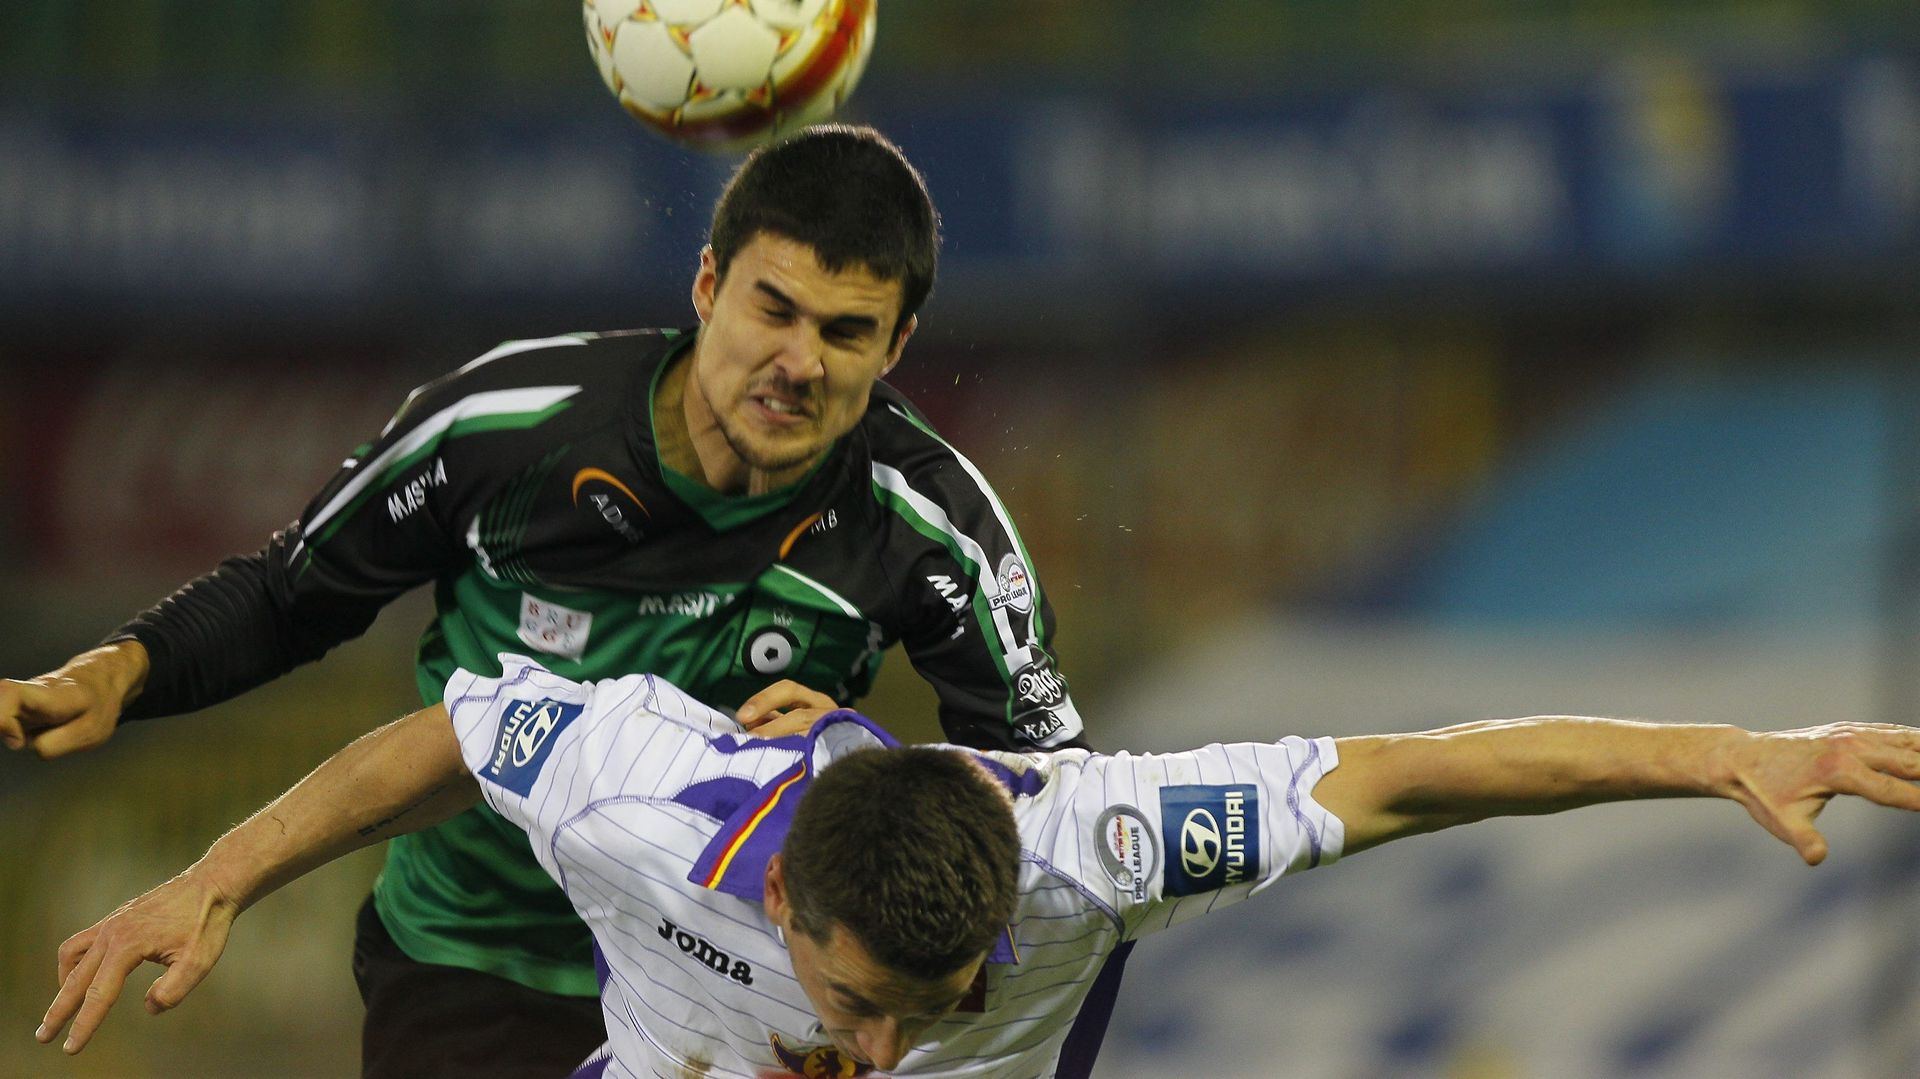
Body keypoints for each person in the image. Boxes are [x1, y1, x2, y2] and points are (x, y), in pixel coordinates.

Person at [0, 125, 1091, 1077]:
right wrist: (123, 670)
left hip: (747, 977)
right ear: (709, 286)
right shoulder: (506, 426)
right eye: (775, 308)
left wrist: (862, 765)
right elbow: (295, 593)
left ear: (897, 344)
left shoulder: (932, 526)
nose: (799, 360)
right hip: (482, 962)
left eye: (847, 332)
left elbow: (1054, 802)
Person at [39, 655, 1920, 1076]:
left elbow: (1419, 773)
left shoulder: (1093, 848)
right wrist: (217, 872)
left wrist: (1730, 751)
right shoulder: (642, 782)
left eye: (919, 1017)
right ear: (776, 901)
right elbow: (446, 727)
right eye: (853, 1005)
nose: (868, 1056)